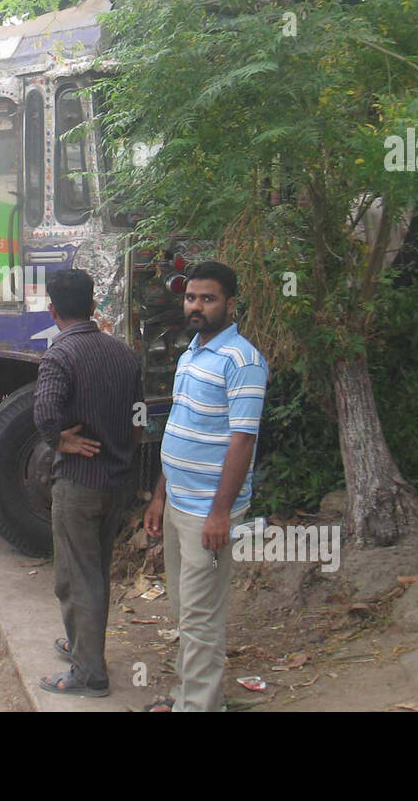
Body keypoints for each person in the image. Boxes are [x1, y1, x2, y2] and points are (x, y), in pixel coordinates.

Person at [143, 260, 268, 712]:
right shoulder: (190, 353)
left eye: (208, 298)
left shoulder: (243, 361)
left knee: (201, 618)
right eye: (191, 297)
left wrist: (220, 512)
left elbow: (243, 441)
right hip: (179, 503)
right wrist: (159, 496)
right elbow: (177, 427)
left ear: (230, 304)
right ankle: (190, 697)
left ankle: (197, 708)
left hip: (208, 513)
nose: (196, 306)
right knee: (183, 612)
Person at [33, 268, 143, 698]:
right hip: (116, 481)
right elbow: (139, 418)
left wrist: (62, 440)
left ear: (53, 310)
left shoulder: (59, 356)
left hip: (79, 484)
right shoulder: (125, 355)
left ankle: (89, 675)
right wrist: (123, 450)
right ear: (94, 307)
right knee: (95, 572)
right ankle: (83, 648)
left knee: (77, 578)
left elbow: (44, 414)